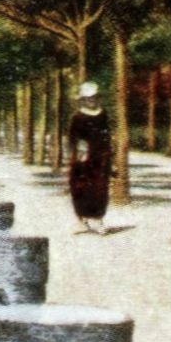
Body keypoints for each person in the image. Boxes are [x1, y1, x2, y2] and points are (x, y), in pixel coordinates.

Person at [68, 81, 113, 235]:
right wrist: (82, 151)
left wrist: (107, 153)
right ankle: (82, 220)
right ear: (83, 100)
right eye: (89, 98)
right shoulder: (77, 116)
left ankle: (99, 220)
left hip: (100, 157)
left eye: (94, 97)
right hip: (83, 159)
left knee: (100, 188)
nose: (92, 100)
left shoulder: (102, 114)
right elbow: (74, 137)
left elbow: (106, 134)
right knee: (80, 188)